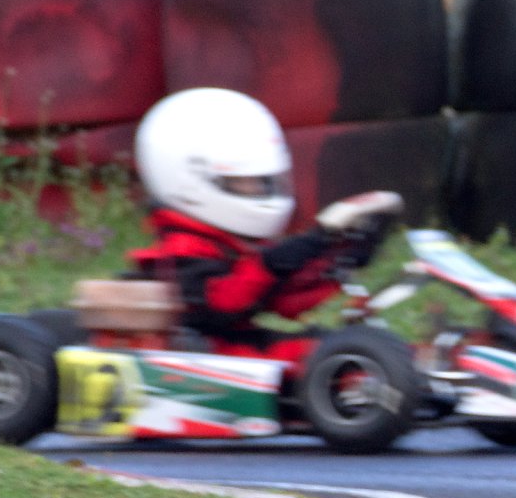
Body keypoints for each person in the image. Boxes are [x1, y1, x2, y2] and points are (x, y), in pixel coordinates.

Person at [125, 87, 400, 362]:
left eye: (264, 183)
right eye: (246, 183)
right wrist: (273, 262)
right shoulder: (180, 252)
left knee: (346, 345)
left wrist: (340, 258)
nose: (260, 191)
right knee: (333, 354)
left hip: (237, 345)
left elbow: (284, 301)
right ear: (190, 180)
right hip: (207, 355)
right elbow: (224, 304)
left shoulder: (226, 243)